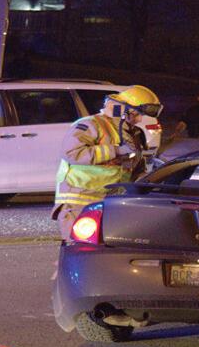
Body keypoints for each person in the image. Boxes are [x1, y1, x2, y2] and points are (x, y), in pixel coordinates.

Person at [52, 85, 162, 241]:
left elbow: (134, 170)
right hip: (79, 201)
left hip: (110, 202)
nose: (139, 119)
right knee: (80, 250)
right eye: (136, 114)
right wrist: (115, 150)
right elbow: (72, 153)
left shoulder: (133, 133)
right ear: (121, 109)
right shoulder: (90, 124)